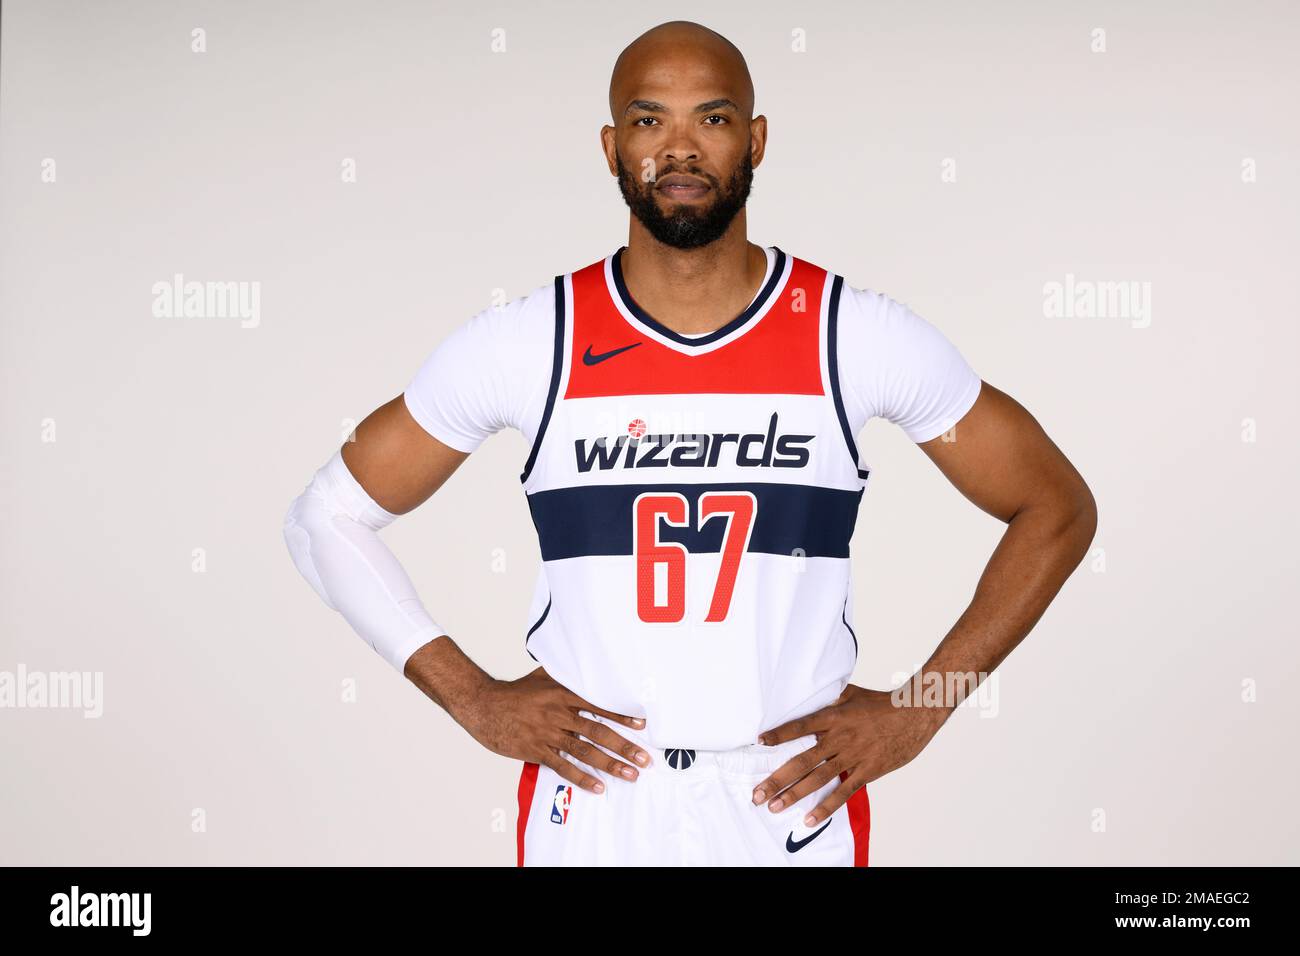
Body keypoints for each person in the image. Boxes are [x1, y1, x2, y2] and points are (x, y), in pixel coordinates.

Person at [282, 20, 1098, 866]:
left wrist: (923, 707)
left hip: (788, 794)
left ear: (756, 139)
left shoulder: (849, 334)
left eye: (711, 119)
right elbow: (323, 519)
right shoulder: (533, 341)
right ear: (610, 147)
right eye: (647, 121)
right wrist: (473, 698)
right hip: (598, 798)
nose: (679, 149)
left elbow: (1056, 508)